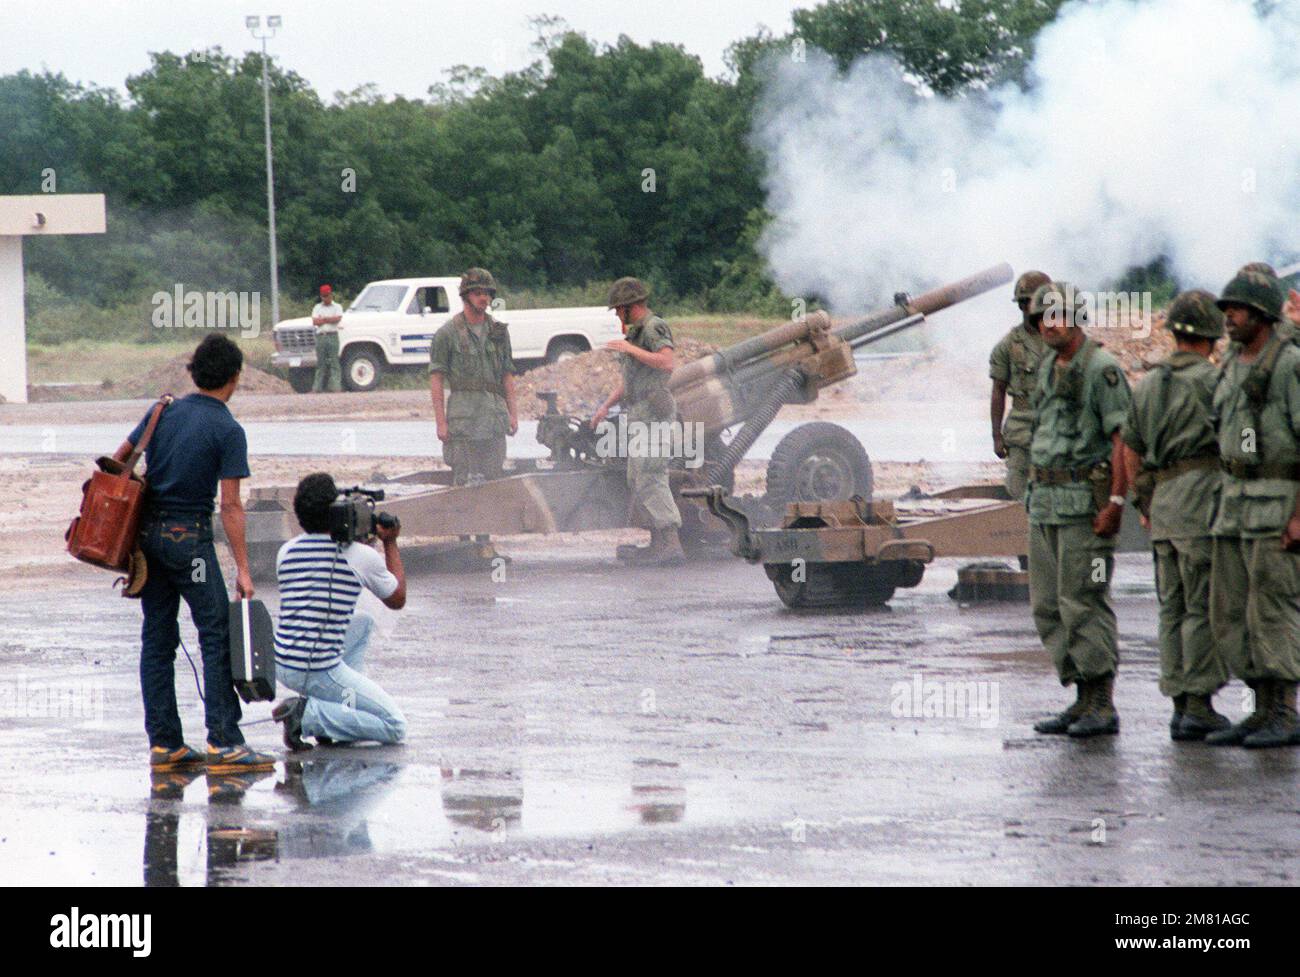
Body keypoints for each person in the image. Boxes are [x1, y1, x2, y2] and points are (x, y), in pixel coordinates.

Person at [110, 334, 275, 773]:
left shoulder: (161, 410)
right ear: (235, 378)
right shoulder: (228, 429)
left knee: (158, 640)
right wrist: (243, 568)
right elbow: (231, 505)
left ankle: (165, 745)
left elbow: (119, 459)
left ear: (195, 372)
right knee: (216, 632)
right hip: (191, 545)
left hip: (148, 543)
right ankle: (224, 741)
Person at [1120, 290, 1228, 740]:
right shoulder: (1213, 382)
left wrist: (1143, 503)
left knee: (1172, 608)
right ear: (1211, 336)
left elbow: (1131, 449)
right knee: (1203, 607)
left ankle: (1180, 702)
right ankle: (1200, 704)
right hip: (1201, 504)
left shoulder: (1149, 384)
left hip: (1162, 508)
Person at [1025, 282, 1132, 738]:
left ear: (1076, 318)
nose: (1050, 325)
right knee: (1048, 605)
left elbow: (1122, 440)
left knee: (1084, 602)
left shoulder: (1102, 369)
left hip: (1083, 508)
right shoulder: (1048, 366)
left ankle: (1101, 703)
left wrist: (1115, 502)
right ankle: (1081, 697)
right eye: (1042, 318)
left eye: (1058, 316)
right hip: (1045, 504)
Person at [1206, 268, 1300, 748]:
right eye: (1225, 309)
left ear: (1261, 313)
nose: (1229, 317)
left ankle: (1285, 709)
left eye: (1237, 309)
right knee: (1232, 611)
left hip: (1276, 504)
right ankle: (1261, 708)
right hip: (1234, 505)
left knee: (1273, 609)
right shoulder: (1231, 363)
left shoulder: (1288, 364)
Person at [271, 473, 407, 750]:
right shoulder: (360, 556)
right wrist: (390, 542)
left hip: (283, 662)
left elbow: (319, 590)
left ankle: (339, 709)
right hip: (316, 669)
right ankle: (307, 716)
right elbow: (397, 598)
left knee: (363, 623)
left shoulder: (286, 551)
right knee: (394, 725)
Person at [591, 276, 684, 565]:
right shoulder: (638, 333)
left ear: (631, 307)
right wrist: (605, 406)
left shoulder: (653, 327)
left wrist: (629, 349)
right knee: (638, 477)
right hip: (640, 413)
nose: (618, 315)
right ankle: (658, 542)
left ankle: (670, 543)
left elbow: (667, 362)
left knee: (651, 476)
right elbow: (631, 382)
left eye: (619, 310)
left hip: (653, 414)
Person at [428, 268, 519, 485]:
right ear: (466, 296)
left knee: (496, 483)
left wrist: (513, 414)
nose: (484, 298)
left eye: (487, 293)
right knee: (464, 485)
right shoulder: (447, 334)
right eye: (478, 293)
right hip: (464, 423)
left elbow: (507, 375)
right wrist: (441, 422)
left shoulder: (498, 332)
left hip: (494, 420)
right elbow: (436, 379)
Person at [990, 270, 1052, 501]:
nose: (1027, 308)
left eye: (1032, 301)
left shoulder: (1062, 339)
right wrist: (996, 435)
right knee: (1018, 492)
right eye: (1023, 302)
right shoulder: (1008, 346)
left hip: (1056, 425)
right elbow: (998, 391)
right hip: (1021, 428)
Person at [312, 284, 344, 393]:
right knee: (321, 363)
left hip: (332, 335)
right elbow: (315, 322)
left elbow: (337, 318)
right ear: (321, 296)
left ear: (331, 295)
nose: (326, 298)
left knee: (334, 361)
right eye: (323, 296)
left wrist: (324, 319)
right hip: (321, 336)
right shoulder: (317, 307)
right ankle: (317, 388)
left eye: (327, 296)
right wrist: (328, 319)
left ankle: (335, 386)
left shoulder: (337, 307)